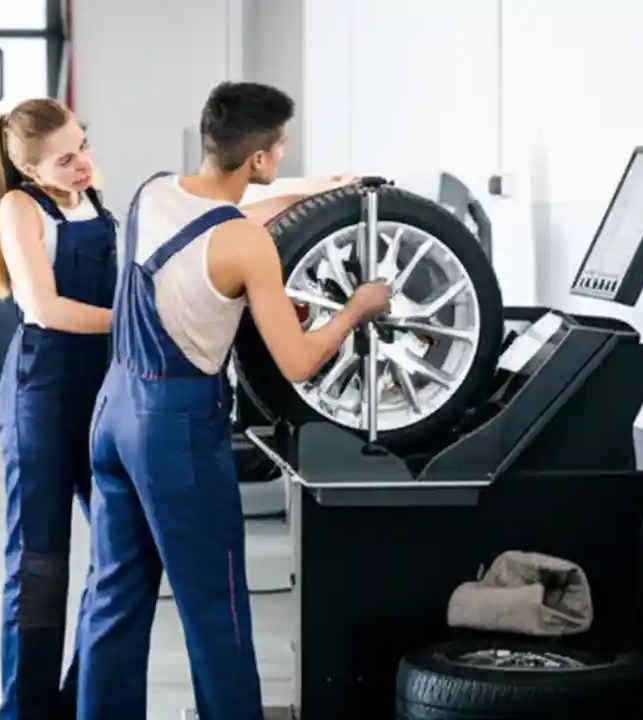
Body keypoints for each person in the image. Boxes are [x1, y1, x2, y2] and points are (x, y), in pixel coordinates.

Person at [77, 82, 392, 719]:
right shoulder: (249, 248)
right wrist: (358, 309)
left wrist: (308, 189)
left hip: (114, 412)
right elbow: (299, 360)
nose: (279, 159)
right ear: (259, 159)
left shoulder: (153, 190)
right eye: (278, 151)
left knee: (114, 598)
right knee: (214, 611)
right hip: (176, 433)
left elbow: (223, 215)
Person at [0, 97, 116, 720]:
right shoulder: (20, 208)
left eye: (84, 145)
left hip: (103, 387)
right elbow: (46, 309)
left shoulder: (89, 195)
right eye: (66, 159)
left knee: (124, 550)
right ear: (32, 168)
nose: (83, 163)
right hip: (43, 389)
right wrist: (136, 324)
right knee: (40, 564)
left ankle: (73, 701)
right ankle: (26, 712)